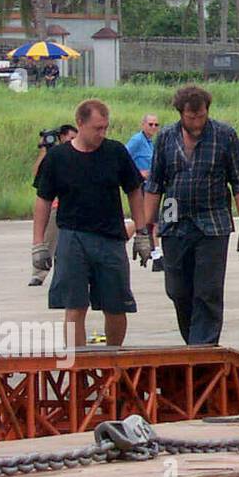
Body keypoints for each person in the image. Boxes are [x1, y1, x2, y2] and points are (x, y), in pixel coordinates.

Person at [32, 100, 150, 348]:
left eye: (105, 128)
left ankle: (112, 360)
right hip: (72, 238)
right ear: (80, 123)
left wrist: (141, 233)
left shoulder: (115, 152)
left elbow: (134, 191)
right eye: (97, 128)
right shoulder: (58, 158)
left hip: (110, 239)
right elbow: (43, 200)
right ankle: (80, 364)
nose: (102, 133)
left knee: (116, 306)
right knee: (75, 306)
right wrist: (38, 244)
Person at [143, 85, 239, 345]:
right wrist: (146, 229)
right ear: (181, 113)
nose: (197, 123)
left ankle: (203, 348)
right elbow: (155, 184)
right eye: (191, 117)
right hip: (174, 223)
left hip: (212, 224)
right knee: (177, 290)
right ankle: (193, 343)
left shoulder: (225, 135)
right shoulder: (166, 137)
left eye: (201, 116)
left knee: (208, 291)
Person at [29, 124, 77, 287]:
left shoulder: (77, 154)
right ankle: (39, 273)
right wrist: (44, 150)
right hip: (55, 205)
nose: (72, 141)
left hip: (72, 206)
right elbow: (37, 176)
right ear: (61, 137)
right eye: (70, 138)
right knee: (48, 240)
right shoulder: (53, 156)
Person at [126, 113, 163, 271]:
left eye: (156, 124)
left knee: (152, 221)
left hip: (151, 186)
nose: (153, 127)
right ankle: (119, 241)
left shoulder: (150, 143)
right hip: (141, 186)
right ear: (143, 125)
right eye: (150, 124)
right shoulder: (137, 140)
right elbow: (124, 158)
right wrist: (139, 173)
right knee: (143, 219)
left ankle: (157, 256)